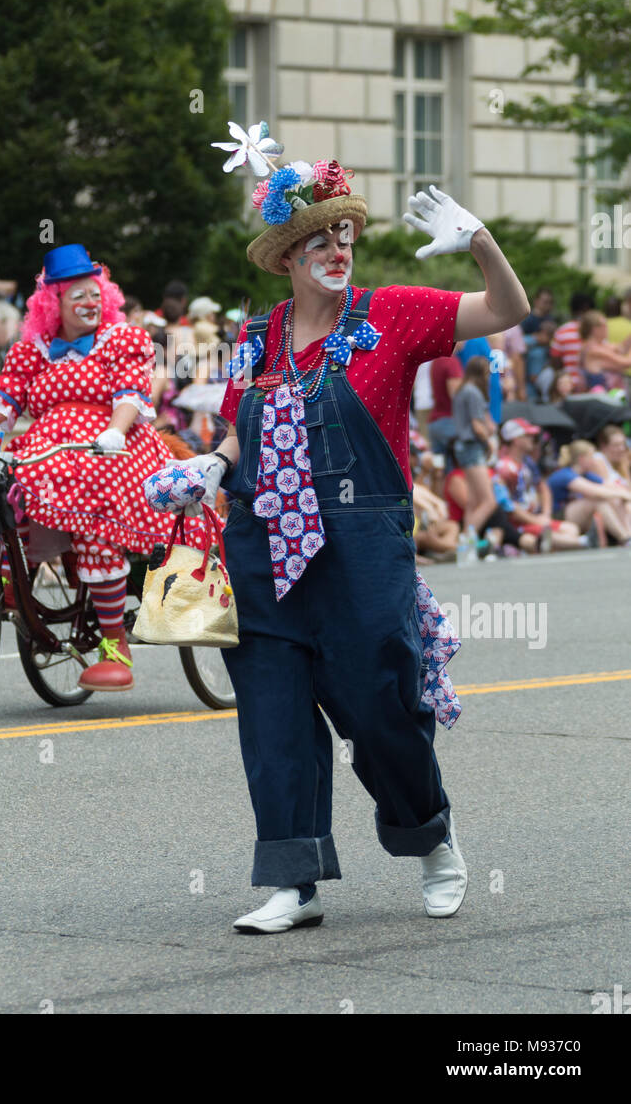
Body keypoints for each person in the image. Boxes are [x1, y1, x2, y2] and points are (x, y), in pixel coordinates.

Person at [146, 124, 530, 934]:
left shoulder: (392, 314)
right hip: (263, 544)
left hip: (361, 547)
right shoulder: (256, 339)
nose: (336, 248)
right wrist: (211, 466)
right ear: (287, 257)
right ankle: (293, 880)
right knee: (273, 718)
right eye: (317, 239)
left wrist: (481, 242)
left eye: (343, 234)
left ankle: (432, 838)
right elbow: (236, 432)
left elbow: (508, 308)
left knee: (377, 704)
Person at [0, 243, 207, 693]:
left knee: (96, 519)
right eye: (77, 296)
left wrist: (115, 431)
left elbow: (131, 395)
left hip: (114, 450)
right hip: (50, 453)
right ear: (52, 303)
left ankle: (115, 643)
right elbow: (1, 400)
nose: (89, 303)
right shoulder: (33, 350)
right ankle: (7, 581)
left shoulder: (123, 339)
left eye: (94, 293)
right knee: (2, 489)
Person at [495, 419, 580, 550]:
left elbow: (543, 488)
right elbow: (508, 505)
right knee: (567, 533)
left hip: (535, 517)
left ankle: (562, 543)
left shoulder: (527, 462)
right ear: (516, 439)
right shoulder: (504, 467)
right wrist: (534, 520)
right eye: (527, 436)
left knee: (571, 529)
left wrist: (546, 514)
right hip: (518, 523)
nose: (532, 440)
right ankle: (583, 542)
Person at [450, 356, 499, 539]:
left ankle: (465, 540)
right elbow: (477, 426)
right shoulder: (473, 392)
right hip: (473, 447)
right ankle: (467, 539)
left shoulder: (462, 390)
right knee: (488, 501)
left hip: (462, 446)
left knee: (473, 501)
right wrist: (489, 442)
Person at [547, 439, 631, 544]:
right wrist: (623, 494)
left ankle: (628, 533)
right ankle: (624, 538)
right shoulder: (565, 474)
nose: (594, 461)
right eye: (591, 457)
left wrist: (623, 494)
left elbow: (610, 487)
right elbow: (594, 491)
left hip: (577, 516)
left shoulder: (587, 475)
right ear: (582, 459)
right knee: (597, 501)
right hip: (558, 517)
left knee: (616, 499)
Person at [549, 291, 594, 391]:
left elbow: (555, 363)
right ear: (587, 308)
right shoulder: (595, 332)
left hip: (567, 388)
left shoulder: (561, 332)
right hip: (592, 389)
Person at [577, 310, 631, 391]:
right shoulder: (593, 351)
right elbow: (626, 363)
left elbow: (621, 349)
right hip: (601, 401)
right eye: (604, 325)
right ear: (594, 329)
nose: (607, 327)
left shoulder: (598, 345)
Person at [427, 351, 464, 454]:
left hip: (435, 421)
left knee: (441, 466)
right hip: (449, 420)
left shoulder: (437, 360)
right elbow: (456, 396)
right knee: (457, 466)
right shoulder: (451, 361)